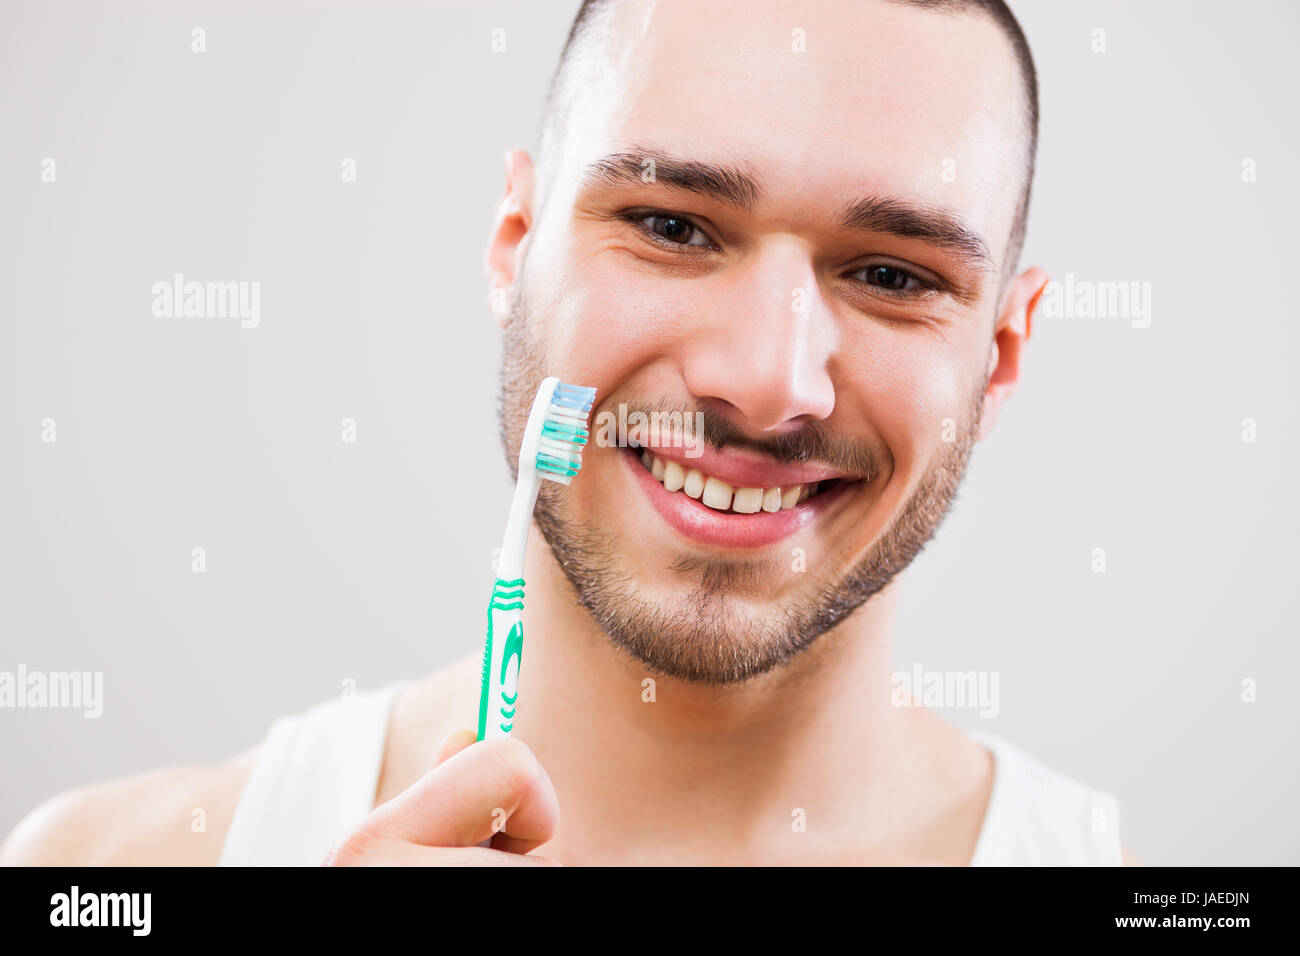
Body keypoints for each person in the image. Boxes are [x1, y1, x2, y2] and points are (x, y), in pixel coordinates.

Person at [1, 0, 1138, 866]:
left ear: (1002, 352)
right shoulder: (106, 866)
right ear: (512, 242)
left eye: (891, 273)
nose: (765, 382)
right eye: (671, 225)